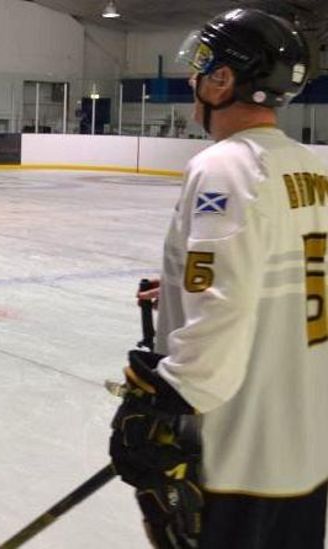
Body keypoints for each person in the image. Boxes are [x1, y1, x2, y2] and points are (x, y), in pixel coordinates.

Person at [109, 9, 327, 549]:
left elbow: (224, 305)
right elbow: (290, 272)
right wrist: (185, 284)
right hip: (306, 442)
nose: (193, 78)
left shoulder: (226, 165)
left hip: (242, 452)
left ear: (226, 80)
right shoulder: (310, 166)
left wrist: (168, 392)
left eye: (203, 66)